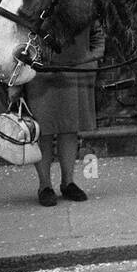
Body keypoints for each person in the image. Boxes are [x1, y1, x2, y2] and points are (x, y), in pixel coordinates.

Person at [22, 21, 105, 206]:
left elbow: (97, 33)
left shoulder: (82, 3)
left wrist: (93, 57)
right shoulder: (39, 2)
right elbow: (21, 38)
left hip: (75, 72)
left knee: (70, 129)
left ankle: (68, 183)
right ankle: (45, 186)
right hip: (42, 73)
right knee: (43, 130)